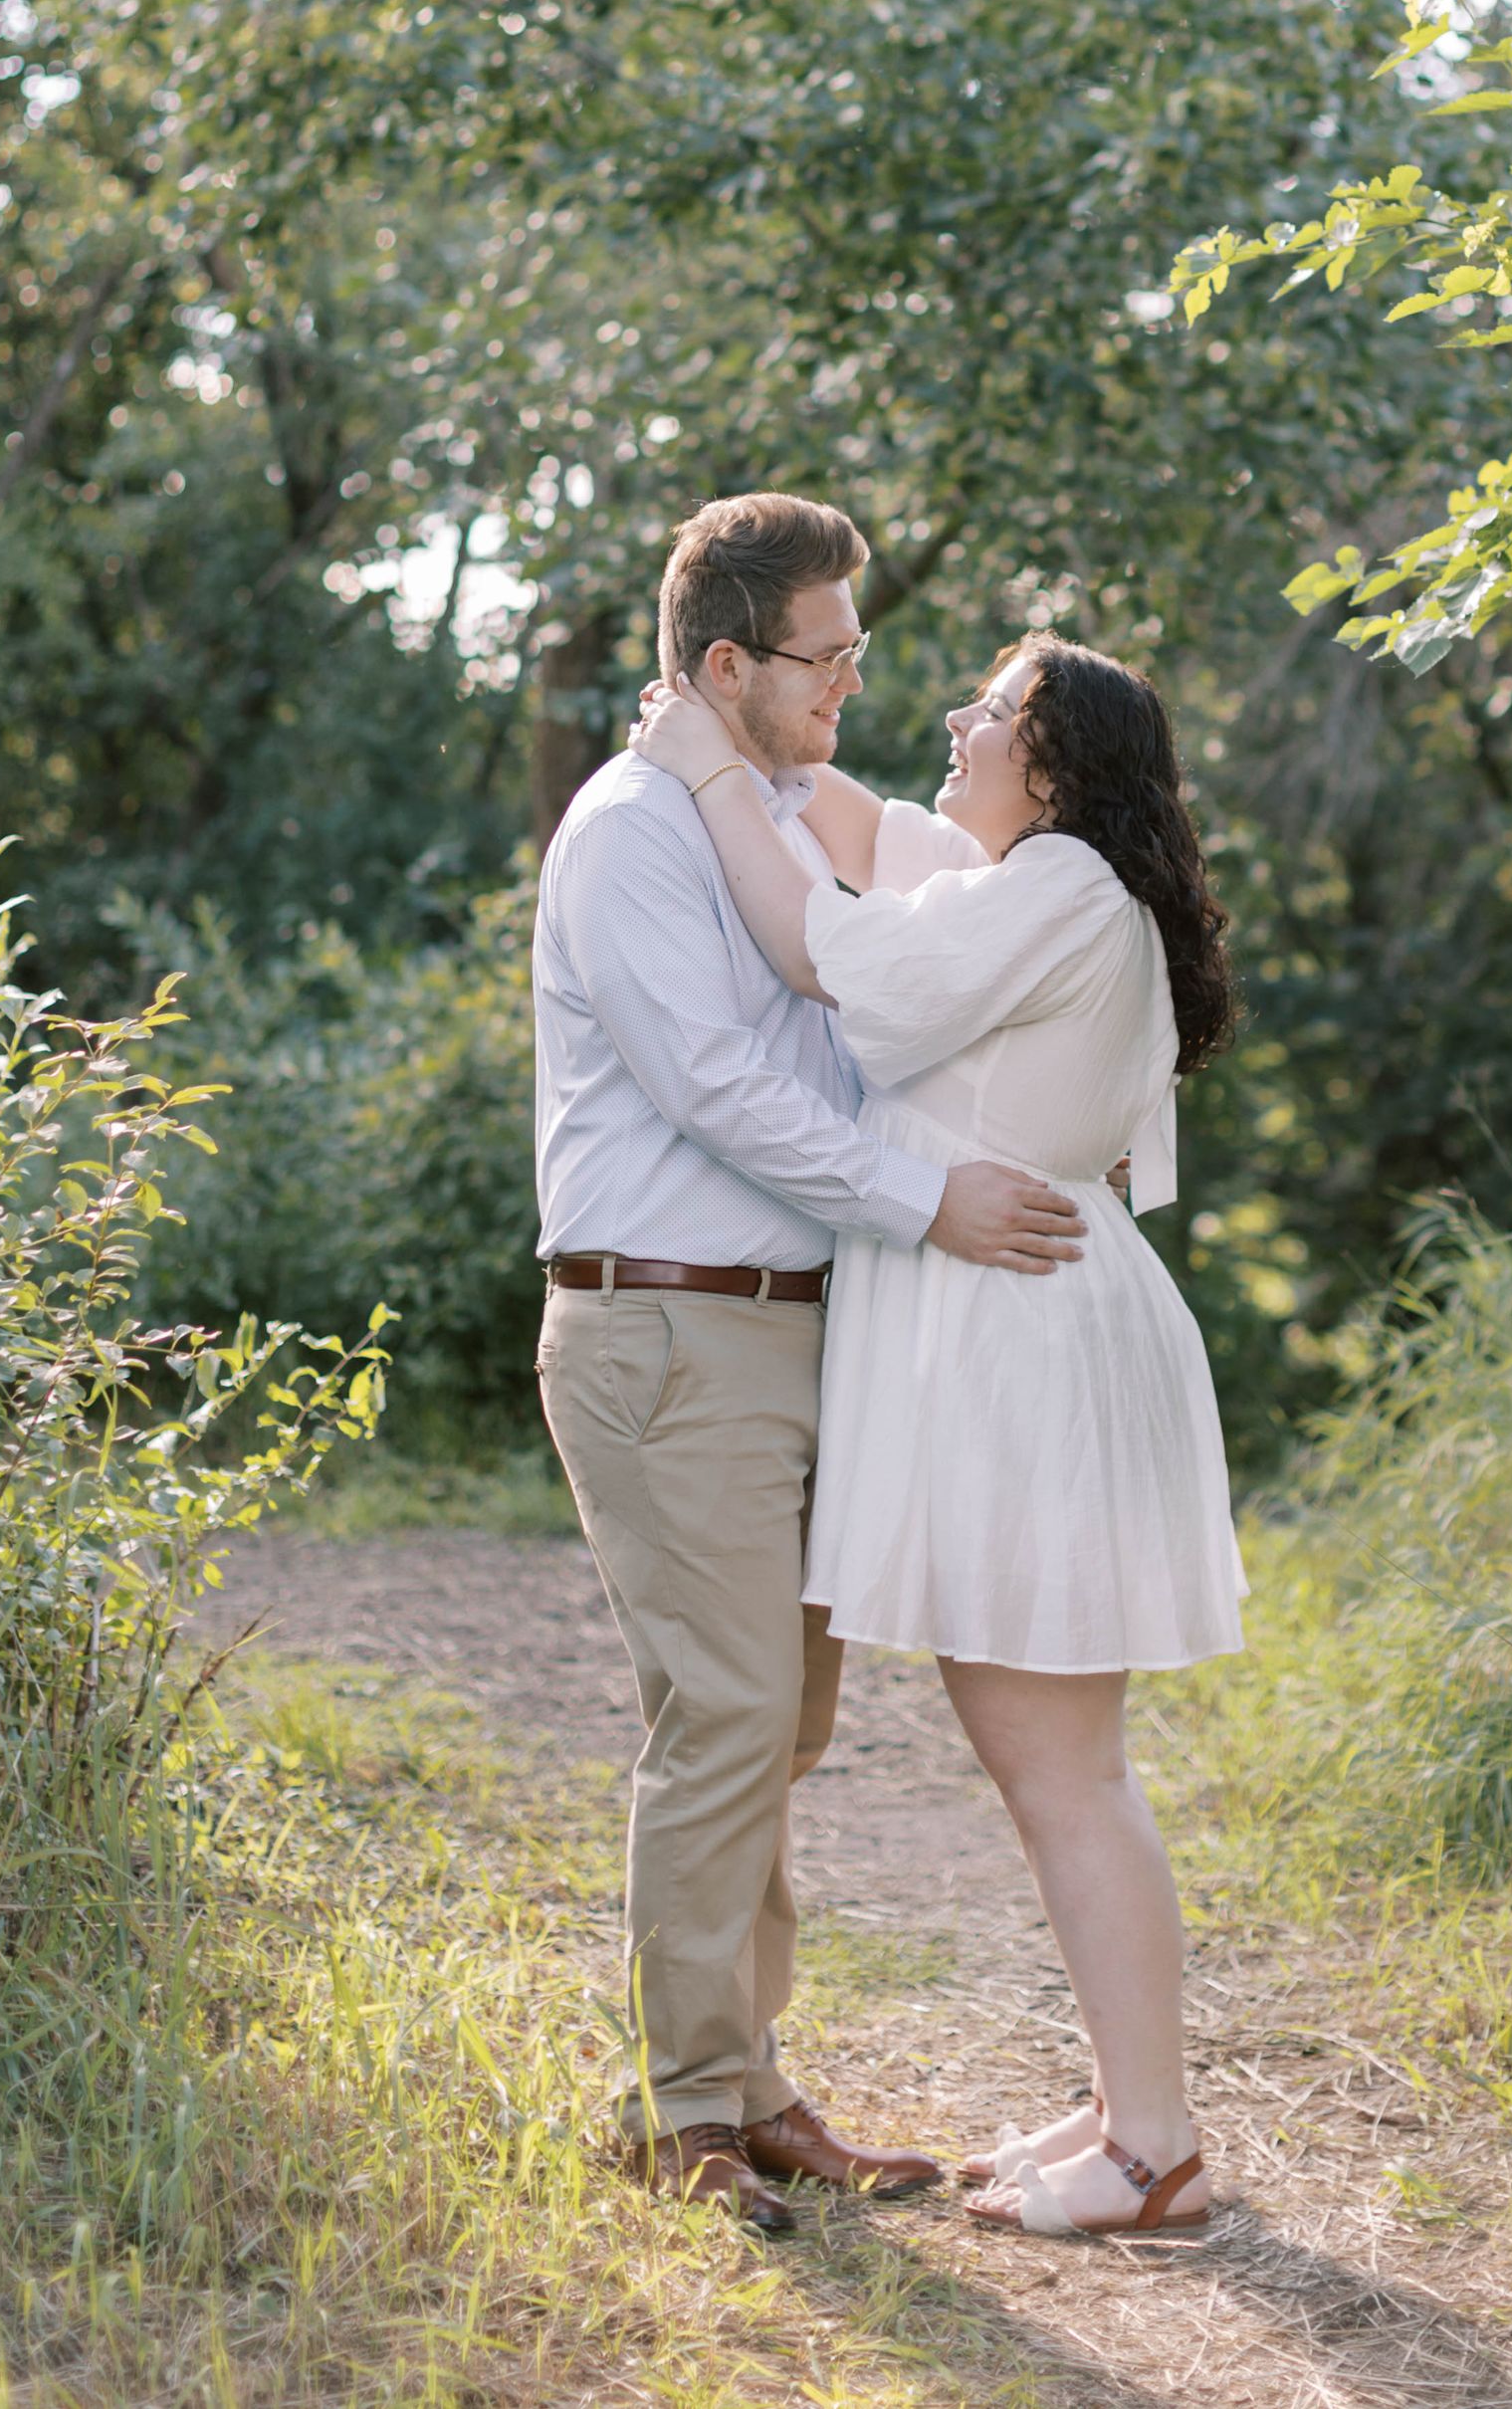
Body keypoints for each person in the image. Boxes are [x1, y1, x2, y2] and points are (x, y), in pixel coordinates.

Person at [632, 627, 1245, 2243]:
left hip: (1026, 1347)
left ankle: (1157, 2150)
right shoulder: (1028, 890)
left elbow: (827, 946)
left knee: (1062, 1767)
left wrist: (704, 772)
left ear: (1050, 767)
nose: (958, 724)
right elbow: (864, 825)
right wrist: (748, 741)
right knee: (1052, 1760)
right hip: (1026, 1334)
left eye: (993, 709)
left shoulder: (1053, 893)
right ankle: (1133, 2107)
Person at [532, 494, 1090, 2237]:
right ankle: (685, 2108)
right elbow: (722, 1085)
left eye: (855, 647)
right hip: (668, 1320)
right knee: (726, 1715)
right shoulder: (634, 826)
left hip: (792, 1327)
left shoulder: (775, 817)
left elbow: (876, 1020)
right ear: (719, 664)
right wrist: (932, 1202)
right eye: (824, 651)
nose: (855, 676)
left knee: (787, 1715)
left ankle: (750, 2083)